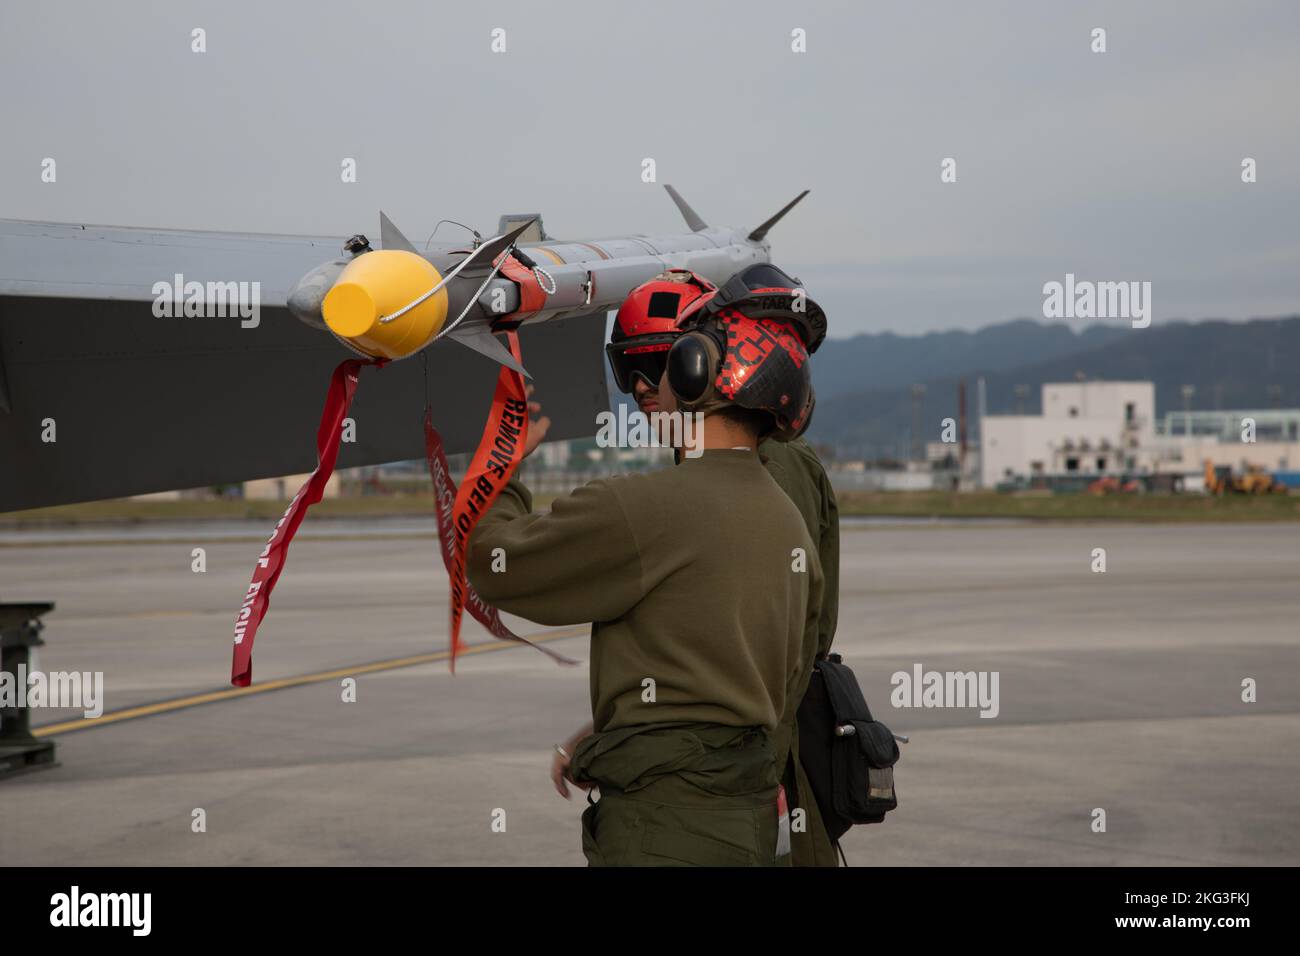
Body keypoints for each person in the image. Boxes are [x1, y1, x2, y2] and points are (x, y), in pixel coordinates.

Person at [467, 275, 823, 866]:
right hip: (746, 822)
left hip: (664, 828)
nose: (643, 389)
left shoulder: (642, 506)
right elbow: (774, 685)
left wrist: (501, 470)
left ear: (694, 370)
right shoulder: (788, 521)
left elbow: (493, 562)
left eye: (658, 370)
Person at [594, 266, 842, 867]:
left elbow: (785, 642)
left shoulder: (762, 465)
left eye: (662, 364)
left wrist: (760, 788)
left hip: (751, 776)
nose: (644, 389)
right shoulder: (716, 463)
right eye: (627, 371)